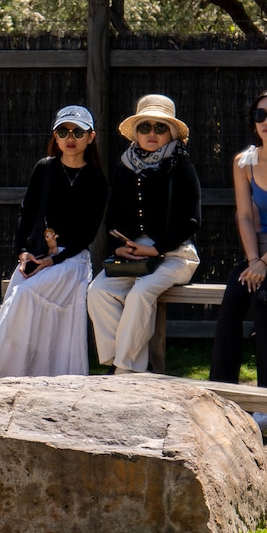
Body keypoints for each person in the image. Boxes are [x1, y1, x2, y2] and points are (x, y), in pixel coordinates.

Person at [0, 105, 108, 388]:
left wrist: (54, 260)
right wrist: (23, 252)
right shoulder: (44, 168)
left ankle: (35, 376)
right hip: (37, 254)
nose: (70, 138)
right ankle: (4, 376)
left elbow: (87, 233)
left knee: (24, 294)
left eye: (78, 132)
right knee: (19, 292)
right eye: (63, 131)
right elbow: (27, 211)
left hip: (71, 260)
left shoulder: (96, 179)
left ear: (91, 137)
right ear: (55, 136)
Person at [86, 93, 201, 375]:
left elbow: (191, 221)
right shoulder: (124, 167)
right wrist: (119, 247)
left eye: (160, 127)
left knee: (141, 292)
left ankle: (124, 370)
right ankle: (125, 363)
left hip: (176, 254)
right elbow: (112, 217)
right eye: (145, 127)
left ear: (171, 133)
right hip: (135, 255)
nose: (152, 133)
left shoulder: (182, 166)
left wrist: (157, 248)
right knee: (98, 291)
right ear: (136, 133)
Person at [210, 89, 267, 387]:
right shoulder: (244, 162)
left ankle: (265, 397)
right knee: (234, 296)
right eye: (260, 114)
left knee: (263, 301)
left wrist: (263, 264)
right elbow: (244, 216)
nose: (266, 121)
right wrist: (253, 260)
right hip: (258, 252)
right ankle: (221, 390)